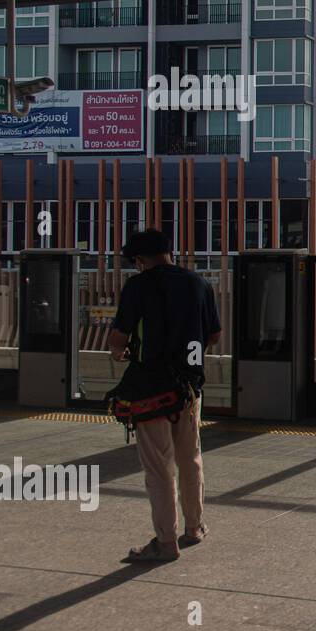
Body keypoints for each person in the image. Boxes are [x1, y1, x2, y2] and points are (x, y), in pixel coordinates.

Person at [109, 229, 221, 563]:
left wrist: (120, 353)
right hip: (188, 388)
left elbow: (119, 337)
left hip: (149, 391)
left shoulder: (138, 287)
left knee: (159, 469)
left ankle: (166, 542)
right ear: (168, 252)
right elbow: (213, 335)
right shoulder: (198, 284)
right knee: (190, 459)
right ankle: (195, 527)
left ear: (140, 260)